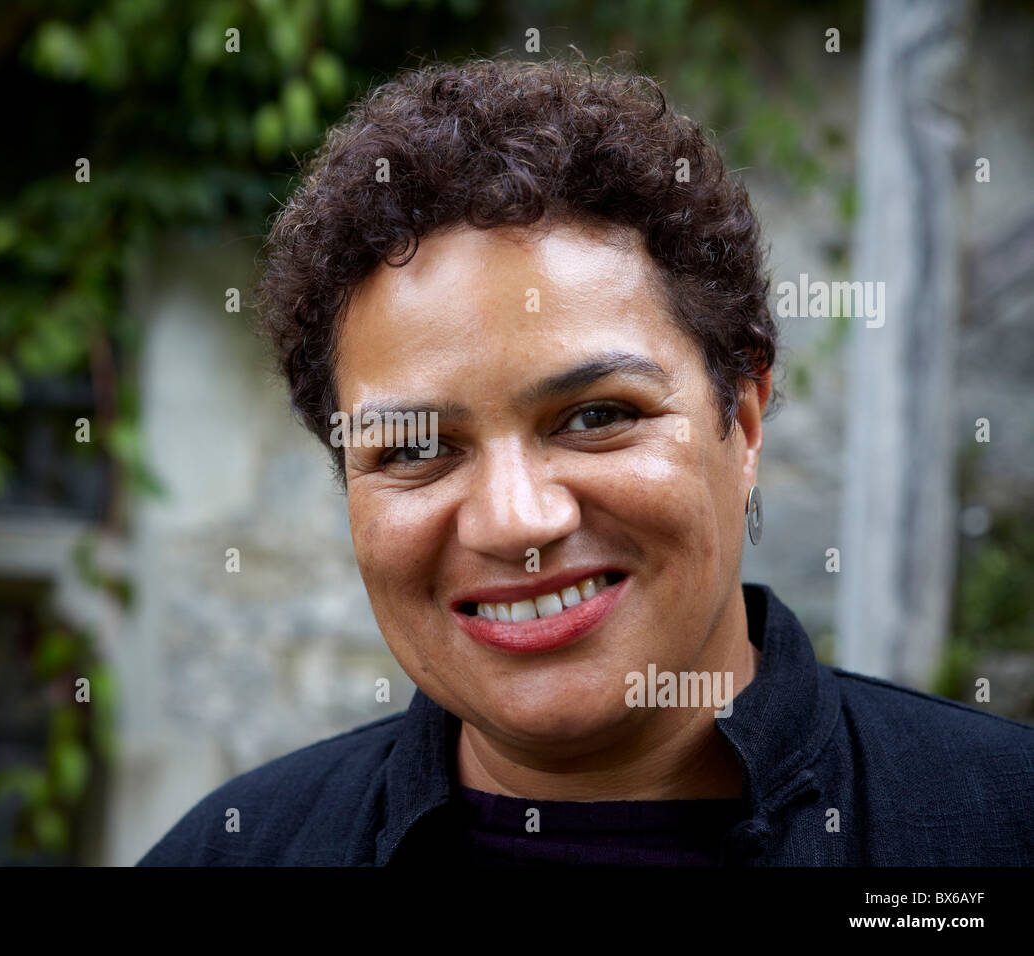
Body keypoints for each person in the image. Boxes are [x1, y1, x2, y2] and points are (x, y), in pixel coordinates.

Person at [139, 57, 1034, 866]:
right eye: (415, 448)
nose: (516, 522)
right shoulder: (232, 852)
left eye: (597, 416)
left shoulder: (998, 823)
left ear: (744, 421)